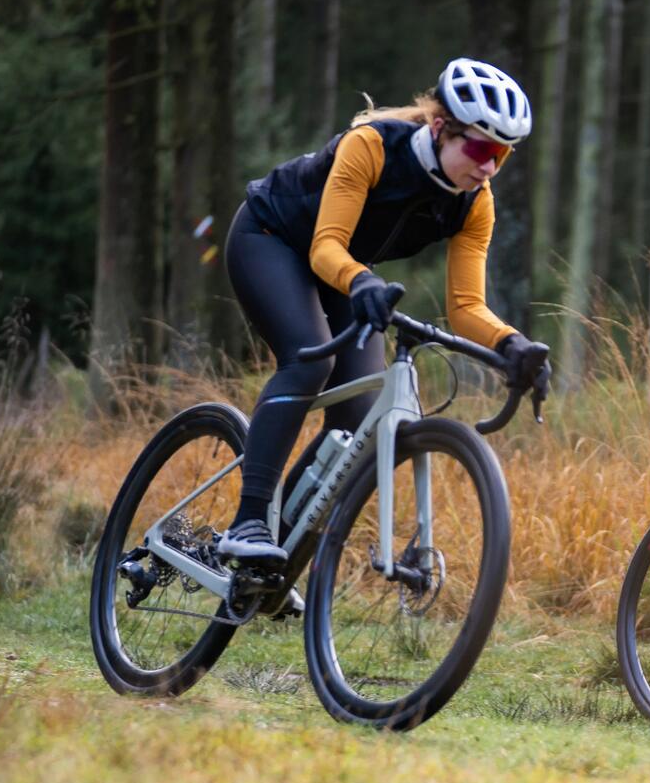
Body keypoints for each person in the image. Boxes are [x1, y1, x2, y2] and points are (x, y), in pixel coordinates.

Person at [217, 57, 548, 569]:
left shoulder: (474, 202)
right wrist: (363, 280)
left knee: (358, 414)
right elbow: (326, 247)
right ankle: (249, 520)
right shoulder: (372, 145)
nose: (487, 167)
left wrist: (511, 344)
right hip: (271, 238)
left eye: (500, 155)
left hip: (348, 268)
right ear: (440, 129)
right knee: (310, 361)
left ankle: (271, 557)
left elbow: (466, 308)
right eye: (480, 147)